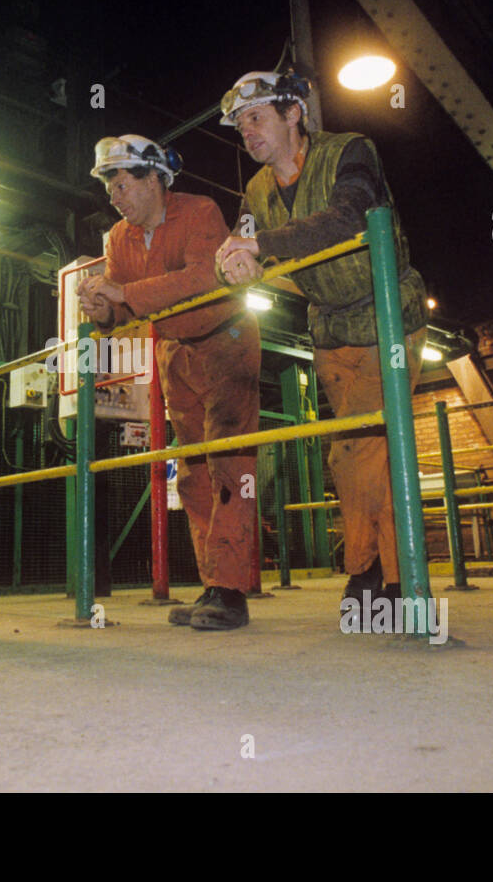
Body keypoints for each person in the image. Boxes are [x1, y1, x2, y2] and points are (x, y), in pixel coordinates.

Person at [214, 71, 428, 614]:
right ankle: (368, 571)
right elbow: (240, 244)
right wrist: (232, 263)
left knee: (377, 448)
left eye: (257, 117)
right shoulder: (257, 193)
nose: (247, 131)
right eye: (240, 125)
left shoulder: (352, 152)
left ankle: (395, 581)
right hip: (332, 331)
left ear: (294, 114)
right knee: (349, 452)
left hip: (386, 318)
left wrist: (256, 244)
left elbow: (347, 217)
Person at [77, 134, 259, 631]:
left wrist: (123, 293)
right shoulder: (118, 238)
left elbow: (205, 277)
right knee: (193, 472)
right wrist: (102, 312)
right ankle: (214, 586)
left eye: (121, 181)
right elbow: (119, 306)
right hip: (175, 354)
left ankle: (230, 590)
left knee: (230, 464)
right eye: (108, 185)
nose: (113, 194)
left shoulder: (201, 212)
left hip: (227, 342)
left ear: (156, 177)